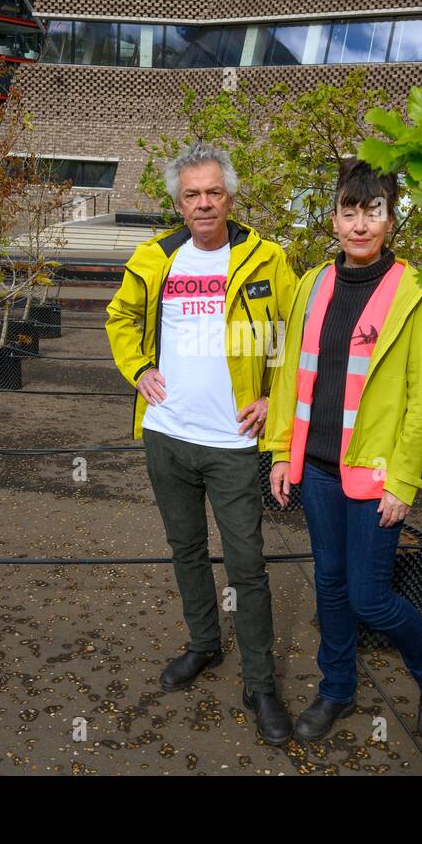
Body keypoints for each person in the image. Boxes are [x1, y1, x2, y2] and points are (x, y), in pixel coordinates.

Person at [105, 142, 299, 745]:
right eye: (192, 194)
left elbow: (295, 339)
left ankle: (262, 683)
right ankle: (204, 645)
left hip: (234, 442)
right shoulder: (155, 257)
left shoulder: (267, 258)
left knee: (247, 564)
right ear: (179, 203)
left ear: (230, 195)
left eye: (213, 191)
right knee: (185, 548)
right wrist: (138, 369)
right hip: (167, 436)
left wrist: (274, 399)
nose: (204, 203)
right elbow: (119, 318)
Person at [265, 158, 422, 740]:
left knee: (372, 599)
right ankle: (336, 690)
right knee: (330, 585)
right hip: (317, 469)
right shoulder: (313, 284)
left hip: (375, 474)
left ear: (391, 220)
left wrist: (404, 480)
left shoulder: (417, 293)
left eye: (373, 212)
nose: (360, 224)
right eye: (349, 211)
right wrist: (279, 452)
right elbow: (288, 375)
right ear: (334, 219)